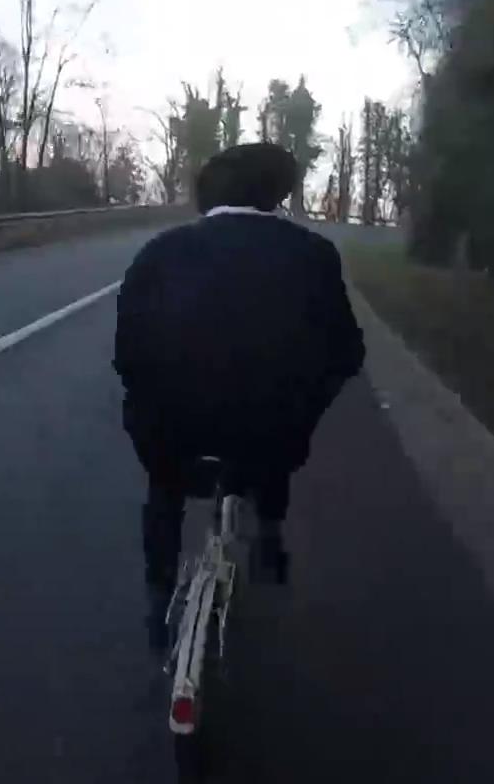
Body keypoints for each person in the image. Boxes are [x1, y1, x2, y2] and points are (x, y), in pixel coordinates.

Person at [113, 142, 366, 650]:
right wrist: (305, 404)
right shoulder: (314, 255)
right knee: (273, 434)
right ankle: (269, 535)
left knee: (165, 480)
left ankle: (158, 592)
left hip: (174, 434)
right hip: (272, 433)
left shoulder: (158, 253)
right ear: (277, 193)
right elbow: (347, 355)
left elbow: (127, 354)